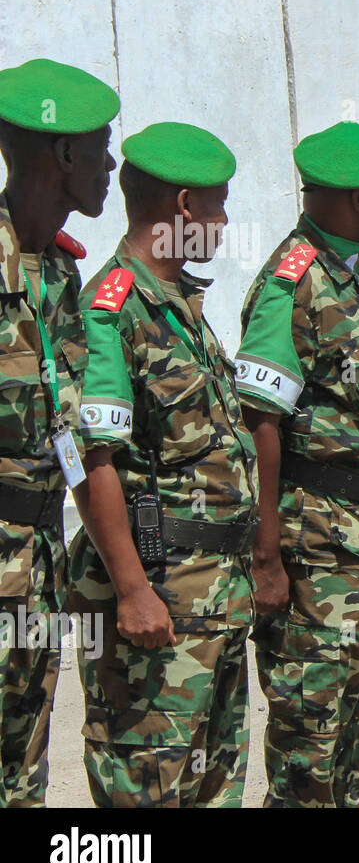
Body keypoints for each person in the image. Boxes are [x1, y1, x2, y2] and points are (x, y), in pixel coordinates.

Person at [235, 121, 359, 806]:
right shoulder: (291, 285)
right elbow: (260, 423)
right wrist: (265, 556)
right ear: (355, 197)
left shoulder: (356, 265)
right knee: (311, 727)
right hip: (319, 544)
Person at [72, 122, 257, 806]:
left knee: (213, 784)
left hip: (213, 597)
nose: (223, 221)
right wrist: (129, 589)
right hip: (158, 594)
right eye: (219, 204)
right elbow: (94, 461)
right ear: (185, 207)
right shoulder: (111, 310)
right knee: (147, 788)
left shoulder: (179, 303)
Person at [0, 58, 117, 806]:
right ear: (64, 156)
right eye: (101, 148)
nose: (111, 165)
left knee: (22, 766)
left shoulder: (58, 275)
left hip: (36, 564)